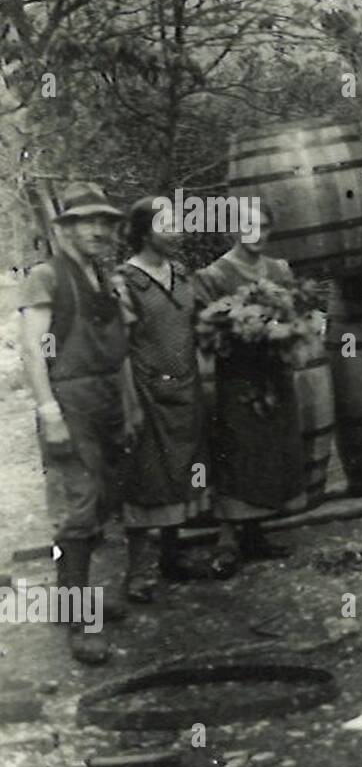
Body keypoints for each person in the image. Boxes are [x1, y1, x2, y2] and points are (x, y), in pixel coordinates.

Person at [16, 183, 127, 664]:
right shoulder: (47, 277)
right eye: (88, 221)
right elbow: (33, 351)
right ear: (64, 229)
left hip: (104, 397)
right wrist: (49, 413)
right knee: (78, 508)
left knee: (101, 502)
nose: (99, 229)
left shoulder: (100, 276)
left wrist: (128, 403)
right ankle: (80, 624)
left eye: (106, 221)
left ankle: (70, 599)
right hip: (70, 401)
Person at [112, 197, 217, 601]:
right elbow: (119, 348)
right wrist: (130, 402)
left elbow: (196, 325)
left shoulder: (181, 274)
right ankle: (138, 574)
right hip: (147, 393)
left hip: (185, 390)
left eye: (180, 223)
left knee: (183, 470)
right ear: (143, 232)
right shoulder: (126, 281)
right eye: (166, 224)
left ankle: (172, 557)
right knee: (148, 479)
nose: (177, 231)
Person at [192, 203, 304, 565]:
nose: (257, 234)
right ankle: (227, 538)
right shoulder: (214, 275)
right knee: (236, 450)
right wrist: (235, 327)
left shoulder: (279, 270)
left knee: (268, 450)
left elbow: (296, 319)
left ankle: (256, 534)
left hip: (273, 373)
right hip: (238, 377)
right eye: (249, 226)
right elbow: (204, 331)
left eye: (264, 226)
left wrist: (284, 330)